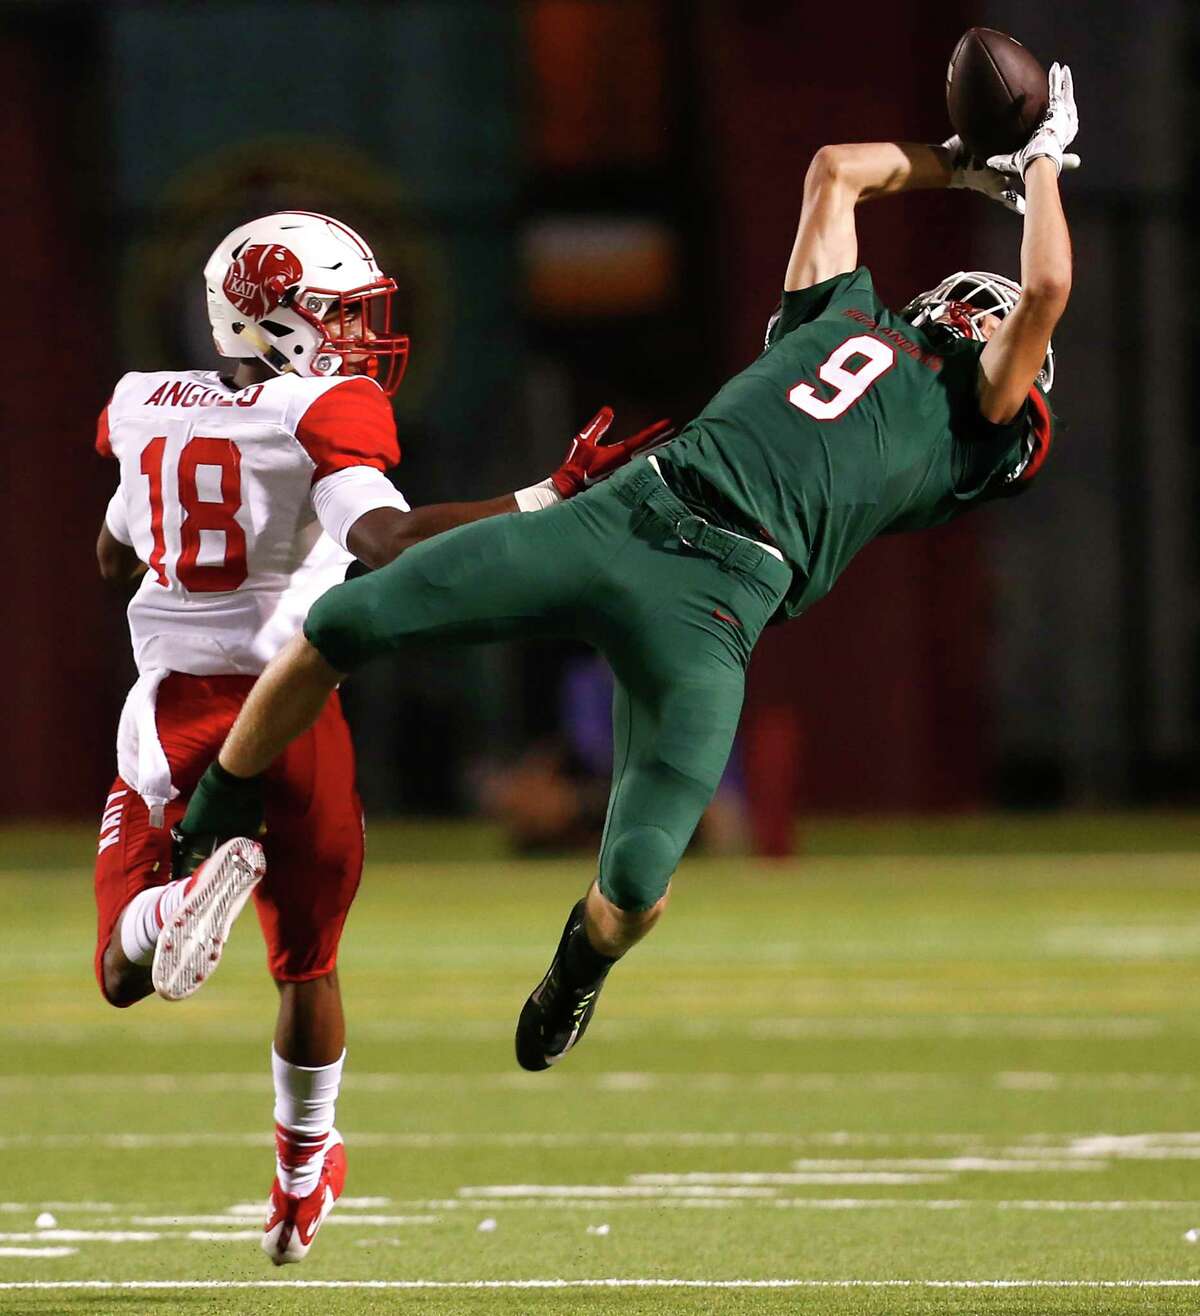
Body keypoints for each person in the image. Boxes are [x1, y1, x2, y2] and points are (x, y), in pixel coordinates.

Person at [173, 72, 1077, 1083]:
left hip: (717, 597)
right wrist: (1005, 163)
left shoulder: (956, 414)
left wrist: (1007, 162)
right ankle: (214, 811)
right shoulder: (865, 329)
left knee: (639, 875)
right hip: (637, 508)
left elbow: (1010, 272)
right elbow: (843, 179)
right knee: (344, 619)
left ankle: (578, 960)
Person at [92, 208, 666, 1264]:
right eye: (339, 314)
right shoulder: (321, 412)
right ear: (270, 318)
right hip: (291, 709)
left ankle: (178, 901)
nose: (359, 336)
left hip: (170, 715)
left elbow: (111, 548)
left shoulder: (140, 406)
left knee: (120, 968)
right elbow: (390, 541)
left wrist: (171, 558)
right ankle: (302, 1179)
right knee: (306, 964)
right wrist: (549, 493)